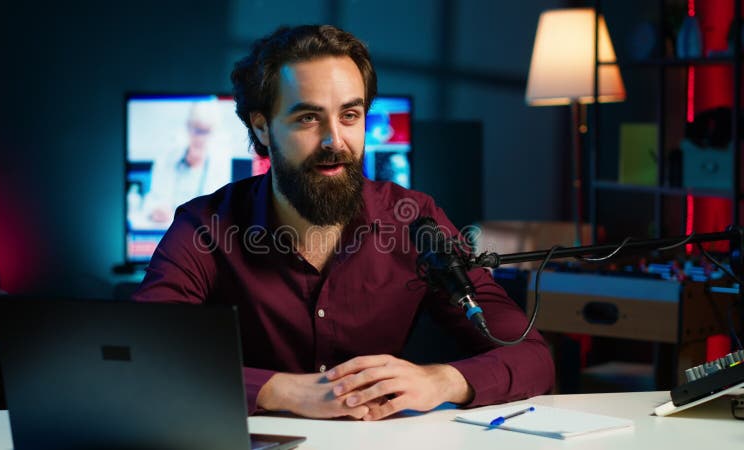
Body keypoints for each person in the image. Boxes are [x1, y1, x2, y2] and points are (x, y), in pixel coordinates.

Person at [133, 24, 554, 421]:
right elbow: (143, 353)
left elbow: (531, 355)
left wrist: (442, 380)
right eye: (308, 119)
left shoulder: (415, 221)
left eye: (350, 116)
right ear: (262, 128)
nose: (336, 140)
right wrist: (280, 390)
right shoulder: (204, 226)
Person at [142, 100, 232, 224]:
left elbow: (223, 209)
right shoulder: (167, 159)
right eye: (197, 130)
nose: (200, 138)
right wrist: (155, 210)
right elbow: (150, 201)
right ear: (188, 127)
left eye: (206, 132)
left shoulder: (220, 163)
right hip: (168, 231)